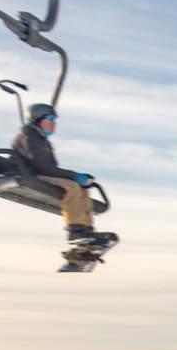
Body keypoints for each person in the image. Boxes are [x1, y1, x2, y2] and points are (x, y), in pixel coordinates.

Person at [11, 103, 114, 247]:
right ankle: (75, 230)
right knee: (72, 186)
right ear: (38, 119)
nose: (54, 124)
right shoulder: (29, 137)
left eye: (55, 121)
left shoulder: (42, 140)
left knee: (82, 188)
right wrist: (73, 176)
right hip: (30, 175)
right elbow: (44, 167)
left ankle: (87, 229)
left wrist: (77, 177)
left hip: (40, 173)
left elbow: (51, 168)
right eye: (51, 119)